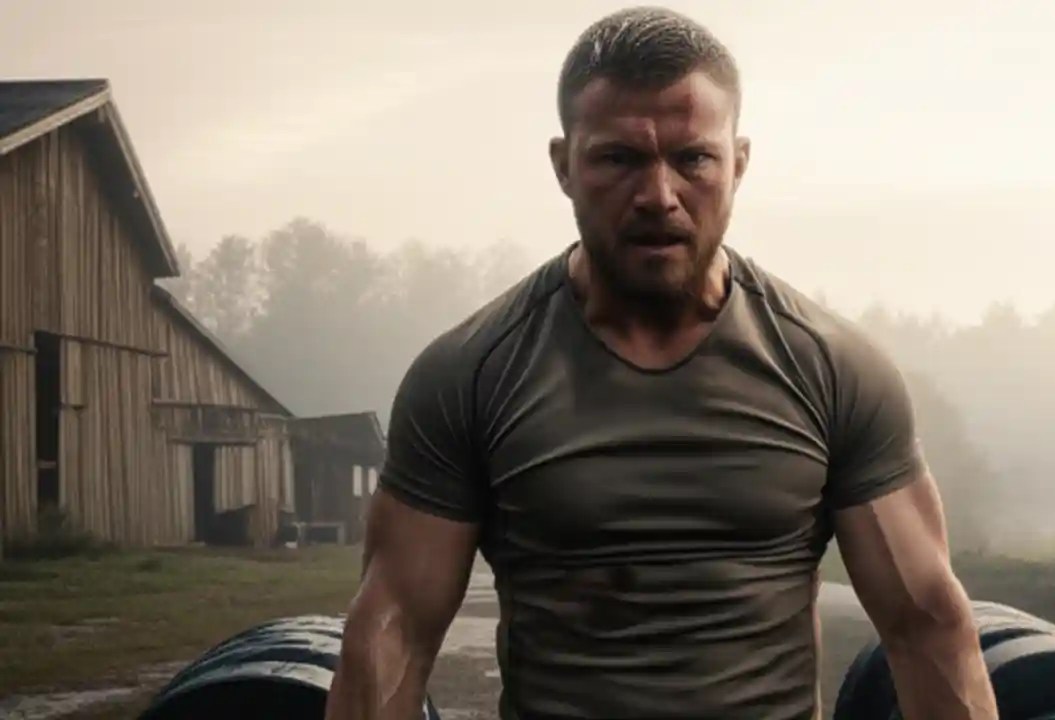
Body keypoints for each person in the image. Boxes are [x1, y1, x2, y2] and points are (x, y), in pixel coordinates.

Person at [326, 6, 999, 720]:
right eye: (618, 158)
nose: (658, 196)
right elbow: (393, 633)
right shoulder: (468, 376)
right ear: (563, 166)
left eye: (693, 159)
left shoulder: (833, 369)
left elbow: (926, 626)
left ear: (738, 163)